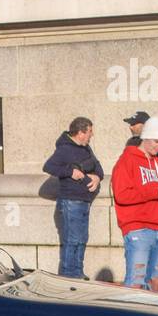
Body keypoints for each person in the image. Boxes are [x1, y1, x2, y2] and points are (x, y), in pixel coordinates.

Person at [111, 116, 158, 291]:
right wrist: (155, 191)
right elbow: (122, 196)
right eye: (157, 142)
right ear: (146, 137)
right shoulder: (126, 161)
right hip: (138, 230)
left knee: (157, 282)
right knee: (136, 281)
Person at [43, 117, 103, 279]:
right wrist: (70, 172)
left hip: (85, 201)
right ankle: (68, 274)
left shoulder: (86, 149)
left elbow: (99, 169)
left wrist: (97, 178)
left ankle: (78, 271)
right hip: (70, 201)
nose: (92, 135)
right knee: (72, 238)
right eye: (90, 131)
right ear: (81, 132)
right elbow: (48, 166)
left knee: (82, 238)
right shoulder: (64, 149)